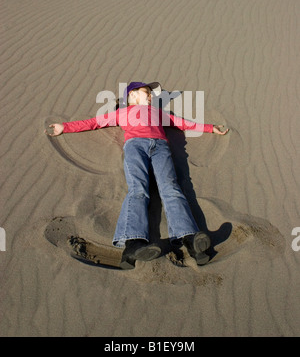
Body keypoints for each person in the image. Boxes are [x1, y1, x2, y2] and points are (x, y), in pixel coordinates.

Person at [45, 81, 229, 269]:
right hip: (135, 146)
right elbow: (94, 123)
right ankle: (133, 243)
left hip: (161, 148)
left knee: (171, 189)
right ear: (132, 95)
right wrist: (64, 127)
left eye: (150, 94)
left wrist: (210, 128)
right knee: (138, 190)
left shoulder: (158, 113)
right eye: (145, 92)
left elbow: (181, 123)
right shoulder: (122, 113)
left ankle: (191, 240)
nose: (150, 96)